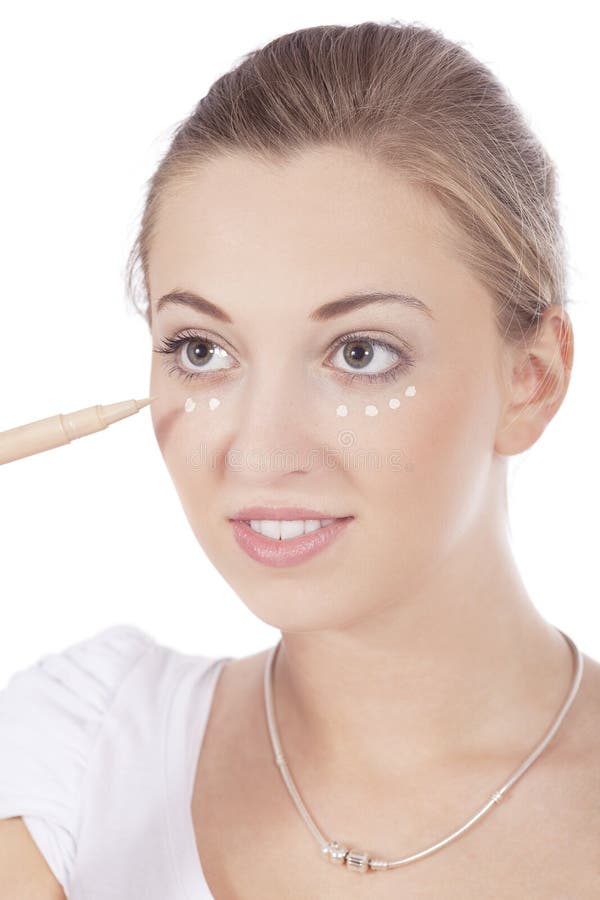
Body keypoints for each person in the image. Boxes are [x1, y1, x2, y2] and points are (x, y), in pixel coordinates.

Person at [1, 19, 599, 900]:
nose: (261, 448)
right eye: (202, 350)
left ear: (533, 380)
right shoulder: (76, 760)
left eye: (360, 353)